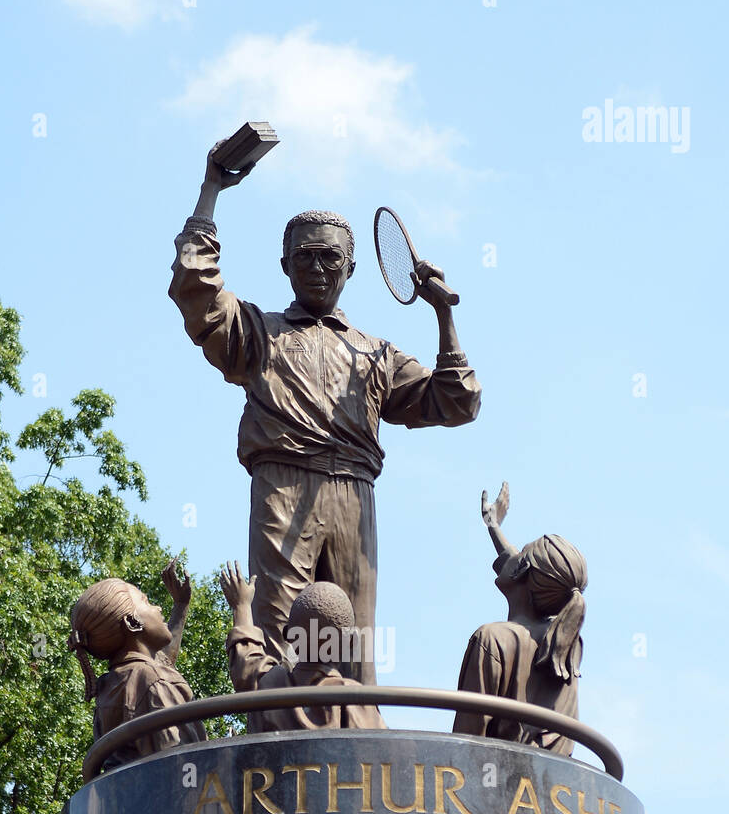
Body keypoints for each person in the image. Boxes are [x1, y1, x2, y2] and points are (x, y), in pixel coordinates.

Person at [169, 143, 481, 683]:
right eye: (305, 256)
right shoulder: (259, 333)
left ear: (351, 268)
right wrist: (211, 188)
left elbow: (456, 402)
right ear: (285, 265)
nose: (317, 267)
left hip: (354, 495)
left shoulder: (376, 354)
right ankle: (278, 739)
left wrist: (444, 317)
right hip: (283, 485)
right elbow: (196, 289)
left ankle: (359, 739)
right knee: (281, 636)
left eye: (329, 257)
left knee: (353, 643)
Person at [452, 484, 587, 757]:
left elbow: (467, 743)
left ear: (522, 571)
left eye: (522, 551)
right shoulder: (567, 643)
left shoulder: (492, 640)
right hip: (542, 789)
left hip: (493, 786)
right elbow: (517, 565)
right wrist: (493, 526)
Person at [68, 560, 205, 771]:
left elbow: (161, 662)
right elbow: (185, 762)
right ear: (132, 623)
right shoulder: (154, 682)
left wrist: (181, 605)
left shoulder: (114, 682)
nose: (158, 608)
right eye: (147, 602)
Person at [219, 560, 386, 734]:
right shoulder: (357, 702)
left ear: (289, 636)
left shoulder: (272, 686)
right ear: (352, 643)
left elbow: (246, 663)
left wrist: (241, 606)